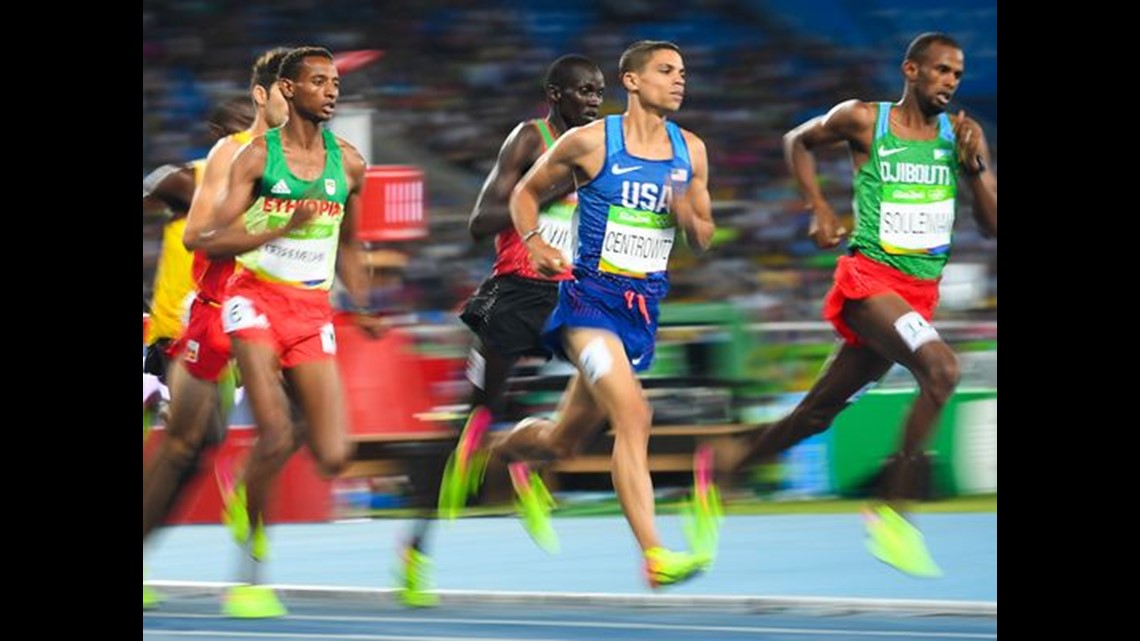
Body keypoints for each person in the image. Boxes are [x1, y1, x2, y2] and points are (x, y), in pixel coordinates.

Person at [723, 32, 997, 577]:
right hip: (867, 282)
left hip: (916, 294)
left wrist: (974, 167)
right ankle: (893, 512)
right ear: (911, 70)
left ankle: (729, 464)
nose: (949, 82)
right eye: (940, 70)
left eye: (957, 75)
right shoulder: (863, 119)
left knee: (816, 414)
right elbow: (796, 141)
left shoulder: (960, 135)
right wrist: (818, 207)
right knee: (942, 369)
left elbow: (991, 228)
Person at [510, 40, 718, 588]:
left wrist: (685, 212)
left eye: (683, 72)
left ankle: (504, 452)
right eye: (666, 71)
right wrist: (533, 241)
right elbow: (524, 194)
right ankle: (654, 555)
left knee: (563, 442)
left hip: (639, 312)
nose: (679, 81)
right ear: (631, 81)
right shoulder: (591, 142)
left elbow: (702, 237)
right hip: (587, 305)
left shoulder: (690, 150)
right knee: (634, 416)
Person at [200, 45, 381, 617]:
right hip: (253, 301)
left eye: (335, 82)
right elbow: (206, 238)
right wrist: (277, 222)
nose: (332, 90)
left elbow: (350, 244)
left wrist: (365, 300)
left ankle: (249, 474)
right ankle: (249, 575)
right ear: (287, 89)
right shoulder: (255, 158)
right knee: (276, 432)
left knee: (333, 454)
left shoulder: (350, 163)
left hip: (311, 311)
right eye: (318, 82)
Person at [428, 54, 606, 599]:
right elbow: (480, 222)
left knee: (606, 394)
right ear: (555, 94)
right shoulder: (529, 141)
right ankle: (419, 548)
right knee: (479, 414)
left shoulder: (601, 148)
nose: (594, 101)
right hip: (517, 290)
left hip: (572, 294)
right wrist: (544, 194)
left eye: (599, 92)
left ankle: (521, 456)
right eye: (583, 91)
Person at [142, 47, 292, 612]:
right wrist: (160, 187)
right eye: (238, 137)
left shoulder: (278, 181)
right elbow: (164, 185)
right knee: (183, 446)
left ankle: (245, 575)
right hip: (172, 339)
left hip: (230, 334)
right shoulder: (195, 177)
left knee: (198, 445)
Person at [142, 98, 254, 383]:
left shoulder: (268, 184)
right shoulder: (186, 180)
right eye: (238, 127)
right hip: (181, 330)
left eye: (253, 126)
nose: (247, 135)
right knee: (202, 427)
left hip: (241, 325)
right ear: (216, 134)